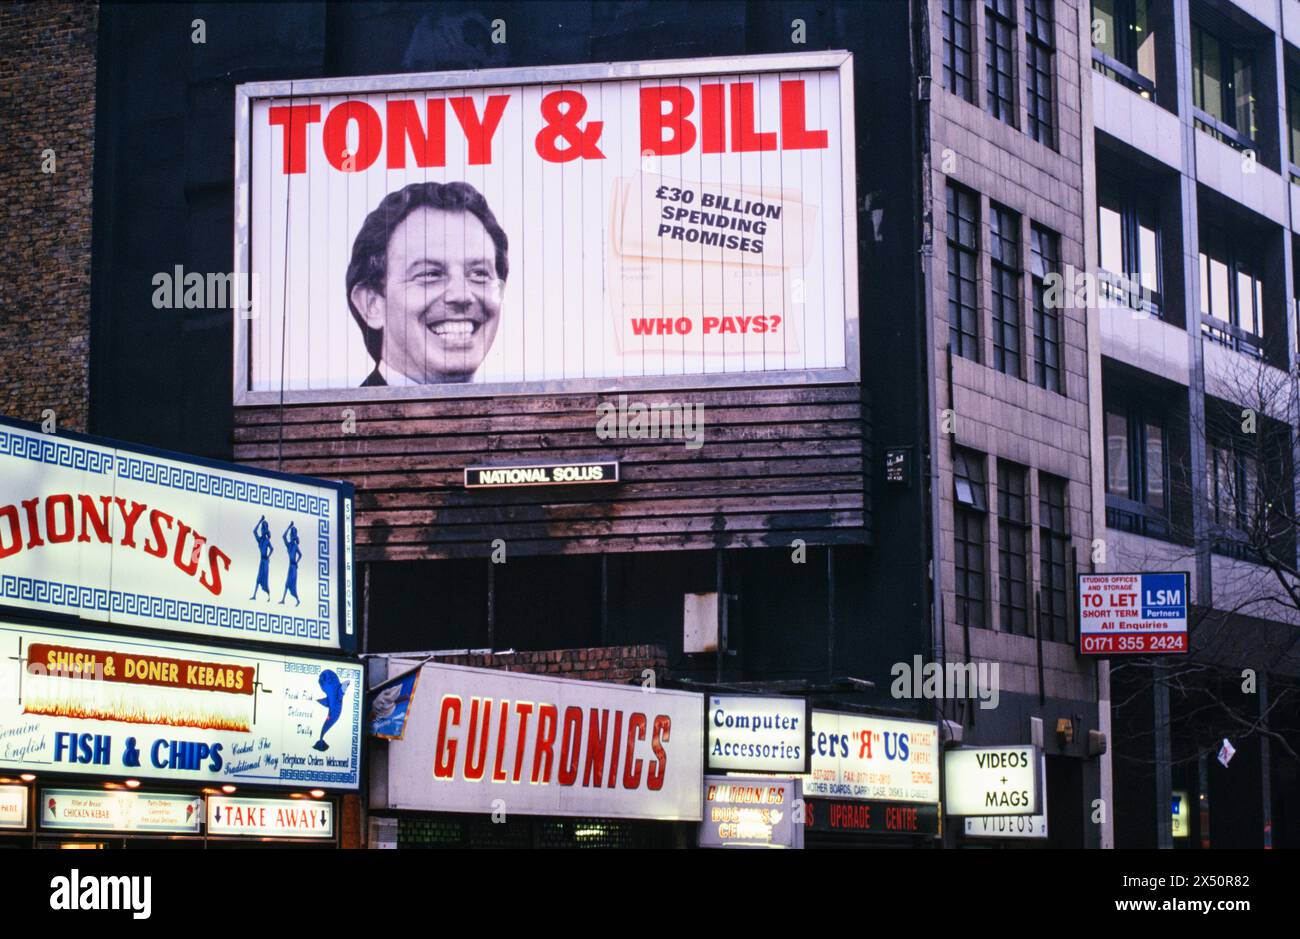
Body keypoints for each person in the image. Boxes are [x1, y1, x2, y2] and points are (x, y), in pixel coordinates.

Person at [346, 181, 508, 387]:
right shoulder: (348, 419)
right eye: (430, 274)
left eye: (479, 274)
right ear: (371, 305)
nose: (461, 295)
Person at [249, 516, 273, 601]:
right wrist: (260, 521)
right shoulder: (260, 540)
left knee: (264, 579)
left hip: (265, 561)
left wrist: (268, 556)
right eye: (261, 529)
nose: (262, 530)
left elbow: (272, 549)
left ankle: (267, 594)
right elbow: (254, 531)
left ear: (265, 530)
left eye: (263, 529)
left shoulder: (266, 540)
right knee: (258, 578)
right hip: (262, 561)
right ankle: (254, 596)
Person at [280, 521, 302, 606]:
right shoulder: (289, 545)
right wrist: (289, 527)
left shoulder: (295, 546)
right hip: (290, 566)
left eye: (292, 535)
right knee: (287, 583)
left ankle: (297, 600)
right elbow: (283, 536)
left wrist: (297, 562)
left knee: (291, 583)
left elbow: (300, 555)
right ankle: (283, 599)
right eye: (291, 535)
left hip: (293, 567)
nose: (290, 536)